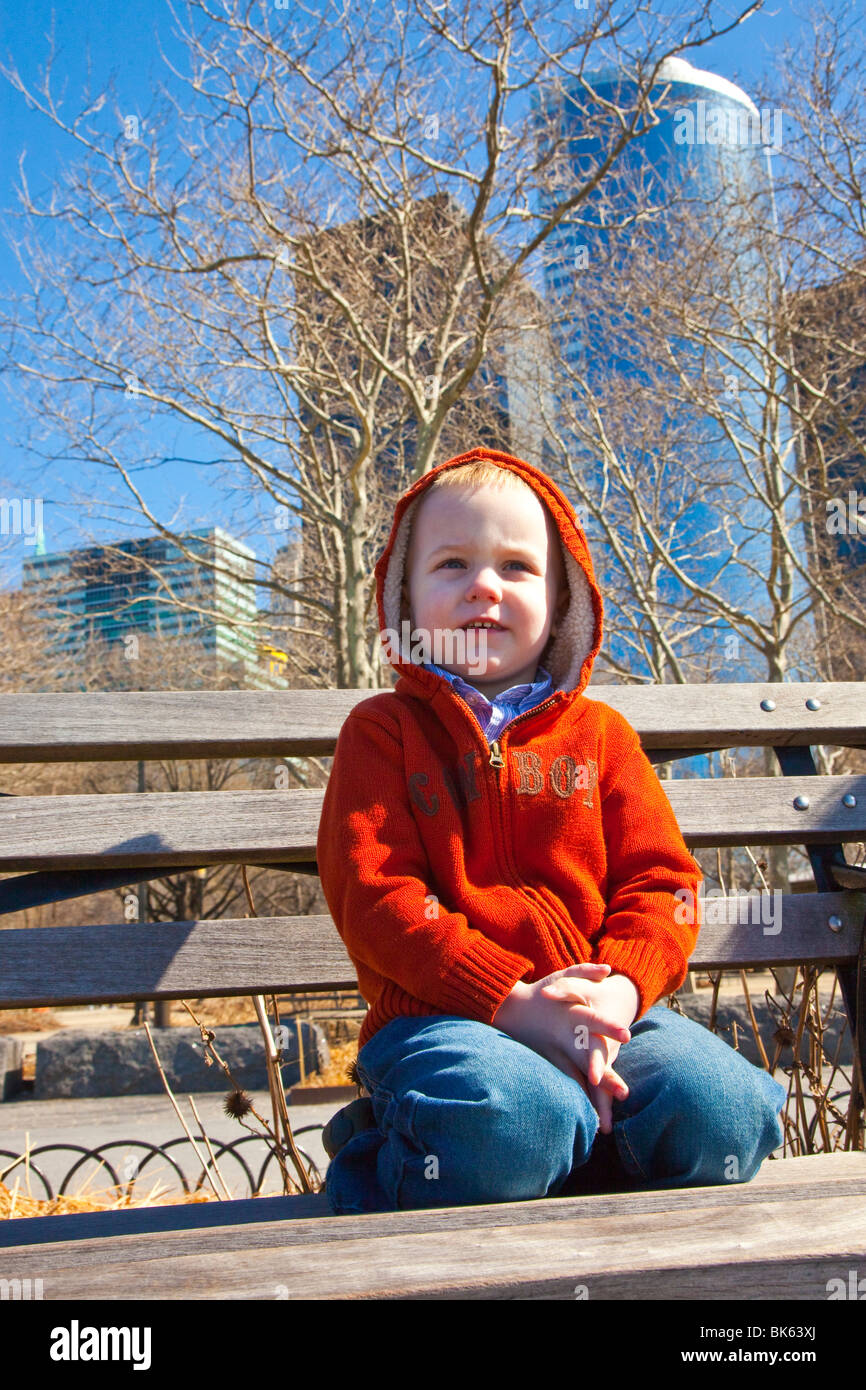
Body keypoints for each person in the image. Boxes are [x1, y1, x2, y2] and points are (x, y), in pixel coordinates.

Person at [316, 446, 786, 1215]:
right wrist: (516, 1001)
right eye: (451, 565)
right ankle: (384, 1154)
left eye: (516, 567)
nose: (483, 587)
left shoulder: (602, 736)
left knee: (722, 1111)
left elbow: (664, 885)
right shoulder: (383, 734)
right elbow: (376, 898)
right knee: (513, 1120)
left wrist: (620, 995)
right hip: (448, 1020)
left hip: (609, 1012)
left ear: (563, 598)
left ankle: (569, 1153)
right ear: (403, 596)